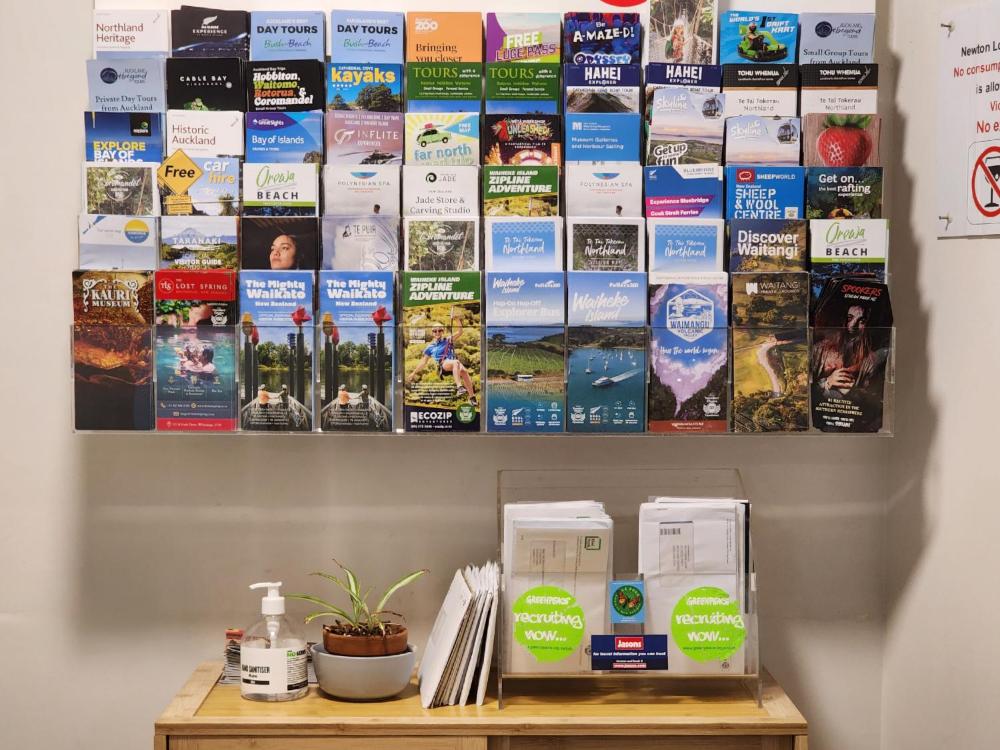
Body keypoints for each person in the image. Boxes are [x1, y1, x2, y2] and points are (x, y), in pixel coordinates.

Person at [407, 314, 478, 407]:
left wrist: (457, 320)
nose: (437, 332)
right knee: (456, 362)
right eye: (435, 331)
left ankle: (472, 397)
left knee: (464, 371)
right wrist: (414, 373)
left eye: (440, 330)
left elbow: (460, 332)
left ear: (443, 331)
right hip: (443, 365)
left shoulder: (448, 340)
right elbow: (423, 362)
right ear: (432, 333)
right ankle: (459, 387)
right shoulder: (430, 347)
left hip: (453, 364)